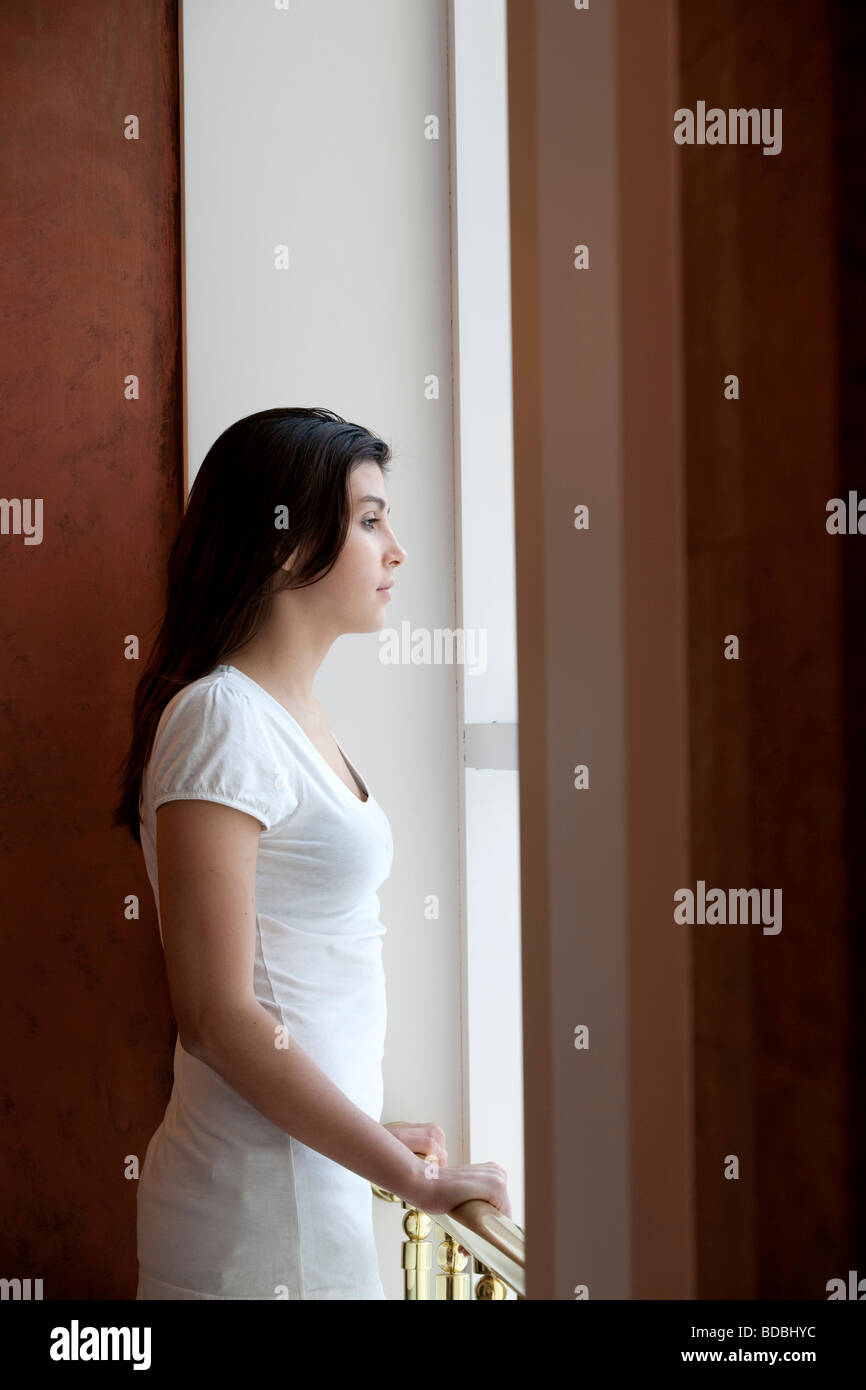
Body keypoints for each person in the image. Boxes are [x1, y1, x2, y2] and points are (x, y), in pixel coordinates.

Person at [113, 406, 511, 1300]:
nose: (396, 550)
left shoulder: (291, 719)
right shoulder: (221, 718)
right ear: (290, 547)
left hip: (302, 1192)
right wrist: (412, 1180)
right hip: (252, 1218)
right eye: (371, 519)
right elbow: (217, 1015)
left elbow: (302, 969)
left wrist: (369, 1135)